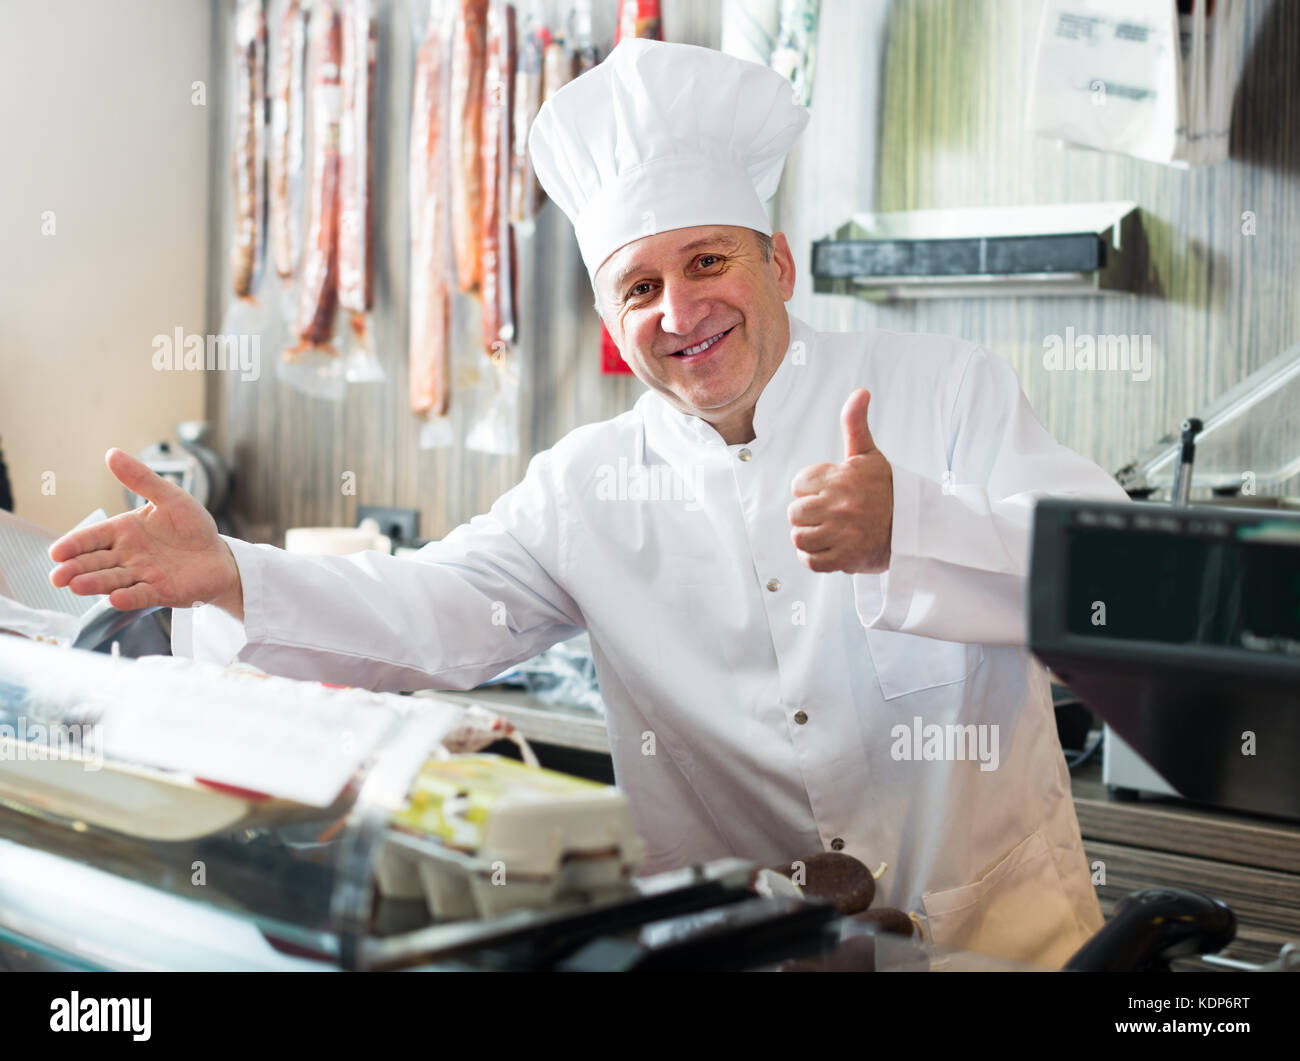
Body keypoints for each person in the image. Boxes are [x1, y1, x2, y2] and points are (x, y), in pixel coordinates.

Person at [49, 38, 1129, 968]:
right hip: (734, 959)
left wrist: (915, 529)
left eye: (706, 260)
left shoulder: (944, 390)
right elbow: (433, 610)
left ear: (779, 263)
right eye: (640, 285)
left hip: (1002, 950)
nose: (679, 308)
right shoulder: (584, 485)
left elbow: (1111, 588)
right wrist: (233, 572)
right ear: (614, 317)